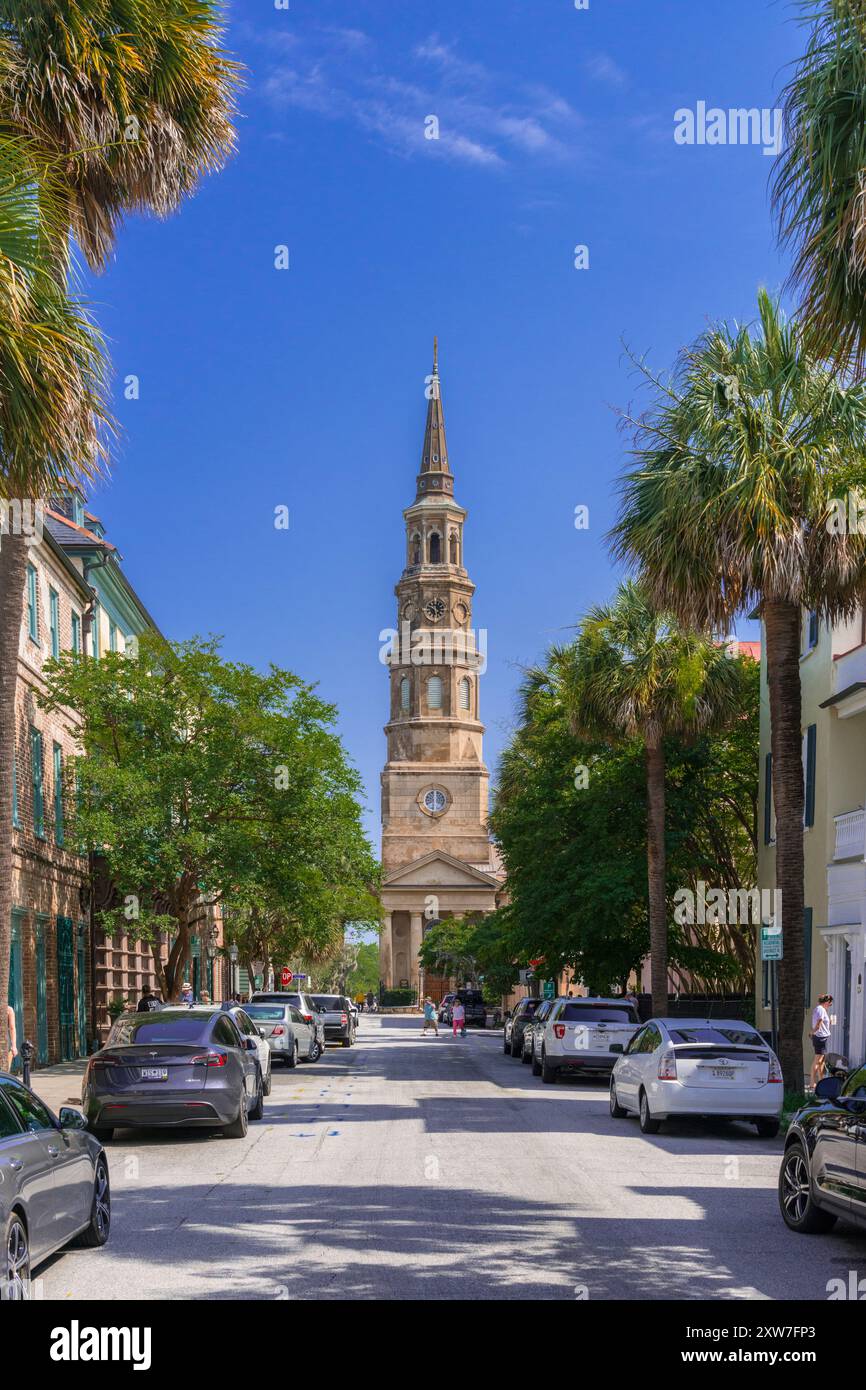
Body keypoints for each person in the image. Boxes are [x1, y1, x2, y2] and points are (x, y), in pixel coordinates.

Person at [810, 994, 833, 1089]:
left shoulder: (820, 1009)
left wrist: (830, 1021)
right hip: (820, 1038)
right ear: (827, 1002)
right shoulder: (821, 1009)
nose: (830, 1006)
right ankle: (812, 1083)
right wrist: (812, 1032)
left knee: (821, 1061)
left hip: (822, 1037)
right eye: (830, 1004)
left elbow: (821, 1023)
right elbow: (819, 1022)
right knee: (817, 1060)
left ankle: (821, 1081)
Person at [6, 1003, 17, 1073]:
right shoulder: (9, 1009)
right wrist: (14, 1046)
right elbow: (12, 1028)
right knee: (5, 1070)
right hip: (6, 1043)